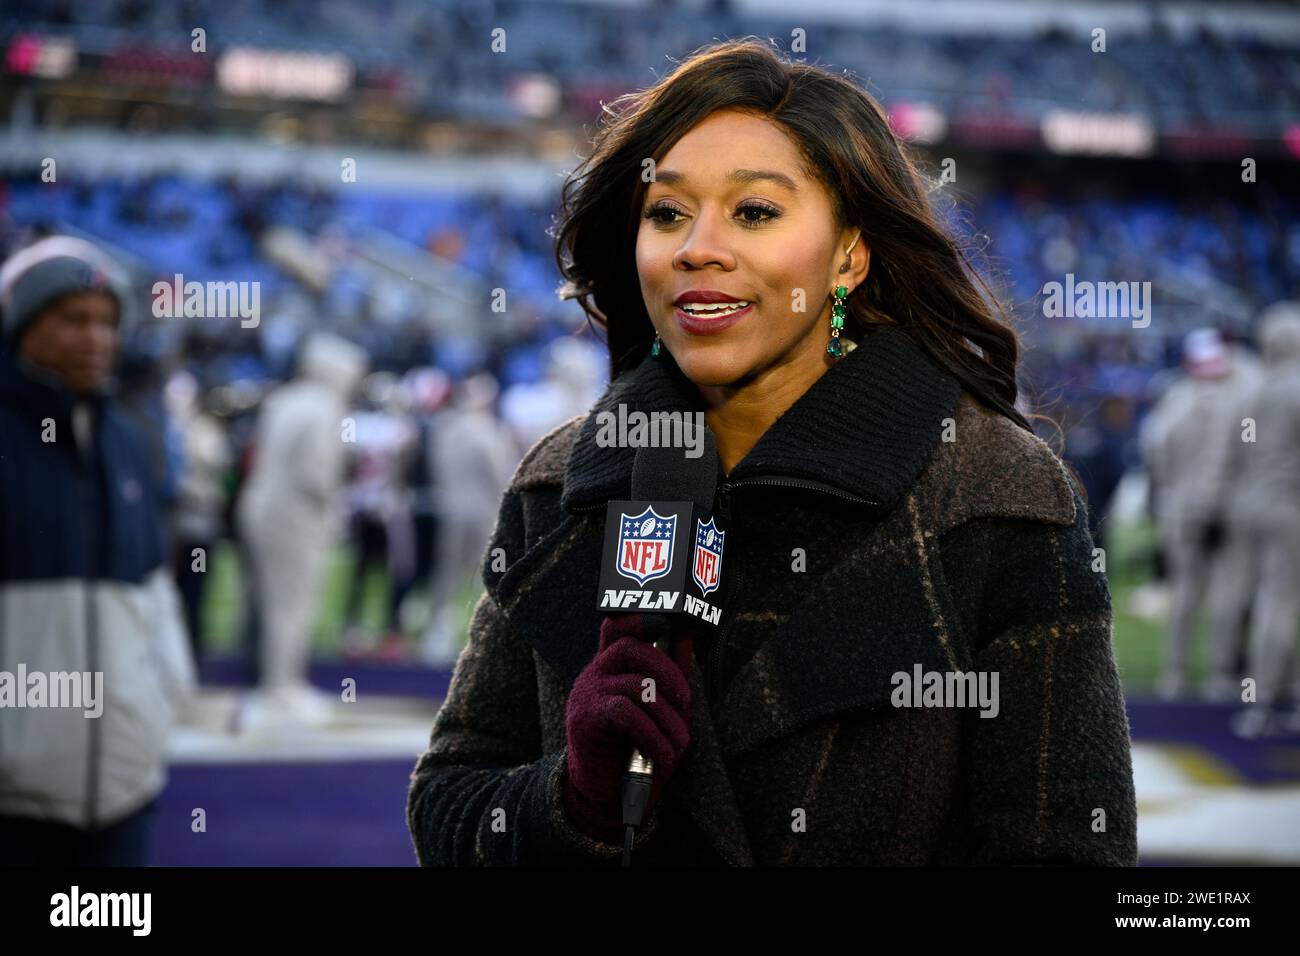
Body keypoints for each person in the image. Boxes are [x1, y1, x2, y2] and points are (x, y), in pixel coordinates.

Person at [406, 39, 1137, 866]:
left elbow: (1070, 846)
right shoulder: (560, 483)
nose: (697, 249)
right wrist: (574, 799)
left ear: (850, 257)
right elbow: (450, 806)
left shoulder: (996, 494)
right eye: (667, 213)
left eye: (754, 212)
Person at [0, 237, 195, 865]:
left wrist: (160, 710)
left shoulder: (127, 438)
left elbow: (152, 592)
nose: (95, 338)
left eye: (107, 322)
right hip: (15, 800)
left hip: (123, 789)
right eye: (73, 319)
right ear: (24, 325)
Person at [235, 331, 367, 730]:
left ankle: (274, 684)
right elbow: (316, 476)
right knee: (292, 605)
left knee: (269, 601)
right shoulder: (326, 408)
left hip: (259, 504)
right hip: (294, 513)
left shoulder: (286, 398)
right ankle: (281, 690)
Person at [1142, 328, 1262, 700]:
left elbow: (1155, 450)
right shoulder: (1241, 399)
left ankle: (1175, 673)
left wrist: (1168, 490)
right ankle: (1219, 674)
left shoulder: (1176, 398)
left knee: (1185, 592)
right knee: (1227, 592)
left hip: (1181, 509)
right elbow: (1239, 457)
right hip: (1226, 509)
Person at [1222, 303, 1300, 736]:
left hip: (1252, 507)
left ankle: (1272, 694)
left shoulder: (1251, 390)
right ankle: (1265, 702)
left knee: (1261, 598)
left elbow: (1237, 453)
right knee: (1281, 602)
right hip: (1288, 506)